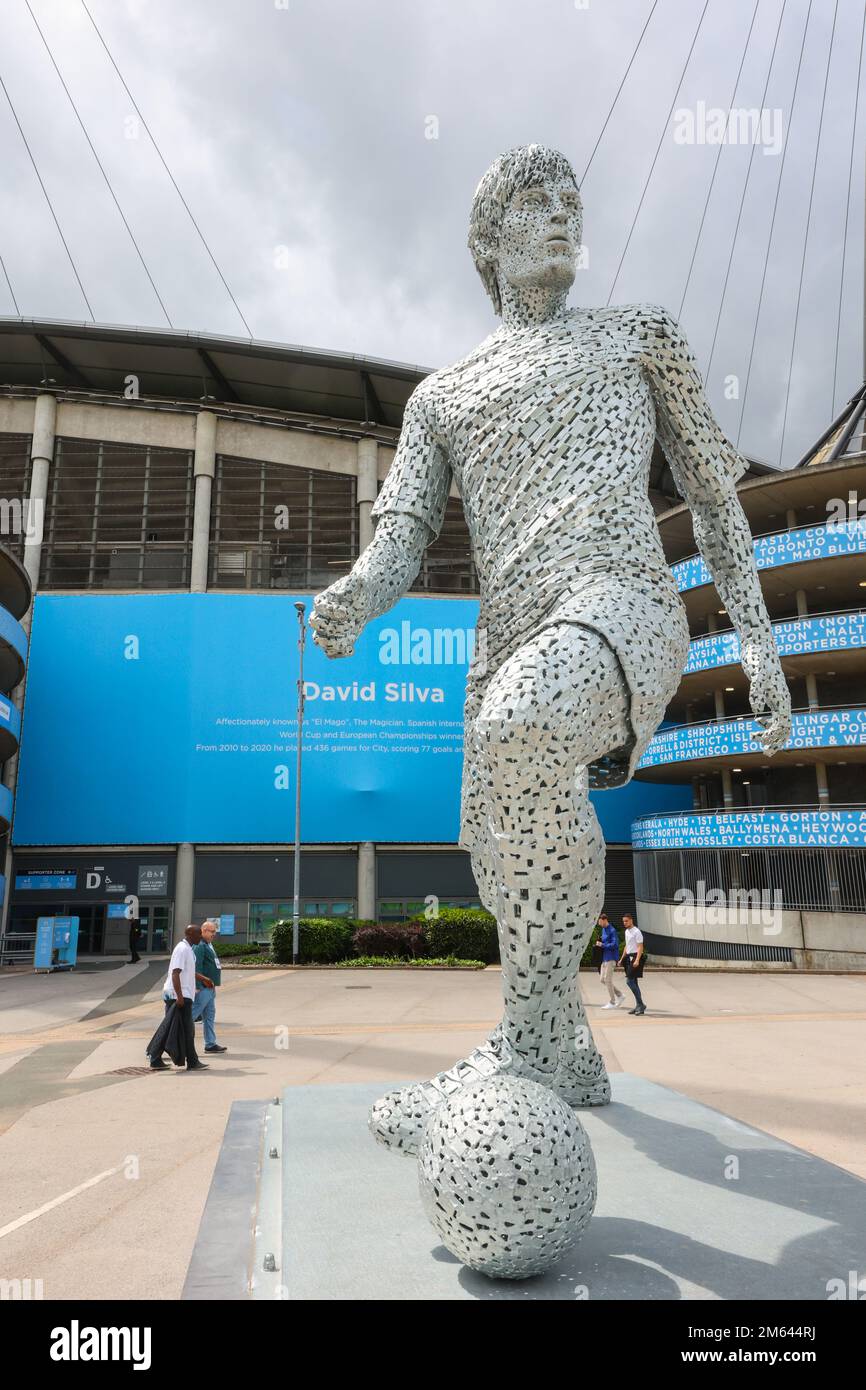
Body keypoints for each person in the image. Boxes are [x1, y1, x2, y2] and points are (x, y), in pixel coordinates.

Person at [310, 144, 792, 1156]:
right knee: (501, 862)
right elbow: (401, 532)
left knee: (520, 726)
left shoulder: (636, 338)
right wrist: (357, 596)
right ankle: (565, 1050)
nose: (565, 214)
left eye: (574, 198)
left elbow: (709, 489)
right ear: (488, 240)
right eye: (538, 201)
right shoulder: (442, 395)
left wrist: (756, 639)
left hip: (620, 604)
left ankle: (514, 1053)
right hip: (507, 637)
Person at [149, 924, 211, 1071]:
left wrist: (203, 979)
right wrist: (180, 996)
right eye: (198, 934)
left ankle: (156, 1058)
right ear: (189, 934)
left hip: (181, 993)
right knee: (187, 1029)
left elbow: (187, 972)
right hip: (178, 994)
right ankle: (192, 1061)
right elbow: (175, 973)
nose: (200, 937)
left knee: (172, 1027)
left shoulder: (188, 949)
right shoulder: (182, 949)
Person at [192, 919, 226, 1053]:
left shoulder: (208, 944)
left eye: (215, 932)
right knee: (191, 1015)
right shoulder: (200, 945)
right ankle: (172, 1040)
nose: (214, 934)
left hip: (210, 987)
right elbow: (196, 966)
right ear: (203, 931)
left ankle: (210, 1043)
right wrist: (197, 986)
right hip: (203, 988)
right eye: (212, 932)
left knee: (210, 1015)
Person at [619, 913, 646, 1016]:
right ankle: (639, 1006)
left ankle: (641, 1004)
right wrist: (621, 959)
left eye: (626, 921)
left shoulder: (637, 932)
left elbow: (640, 947)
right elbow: (627, 946)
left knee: (629, 981)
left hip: (635, 957)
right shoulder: (627, 931)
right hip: (629, 957)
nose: (624, 923)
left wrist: (637, 960)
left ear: (631, 920)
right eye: (623, 921)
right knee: (634, 982)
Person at [598, 913, 623, 1009]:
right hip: (604, 957)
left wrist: (602, 945)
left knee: (608, 980)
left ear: (604, 920)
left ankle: (612, 1002)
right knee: (602, 980)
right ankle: (620, 995)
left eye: (600, 922)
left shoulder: (612, 930)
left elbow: (615, 945)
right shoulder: (603, 929)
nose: (599, 924)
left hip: (611, 958)